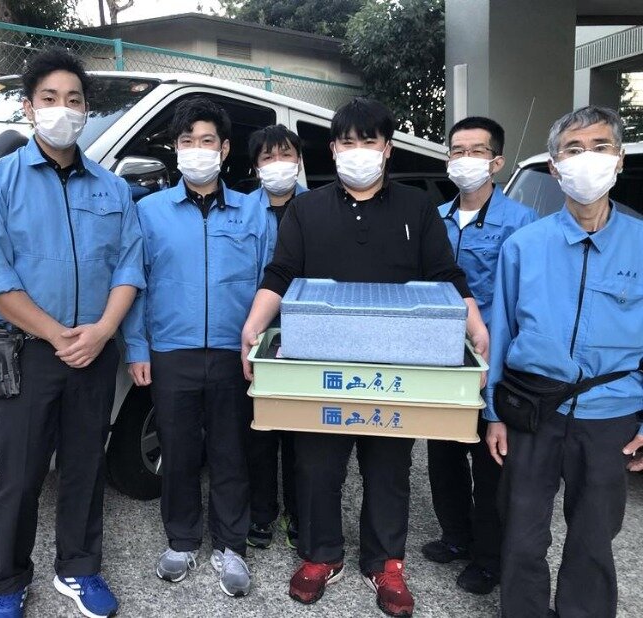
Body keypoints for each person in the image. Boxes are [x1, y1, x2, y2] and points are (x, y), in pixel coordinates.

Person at [240, 97, 489, 618]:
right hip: (321, 366)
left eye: (368, 141)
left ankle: (386, 562)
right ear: (333, 149)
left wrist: (474, 323)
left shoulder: (416, 208)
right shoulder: (307, 209)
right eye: (347, 142)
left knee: (389, 468)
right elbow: (280, 273)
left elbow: (445, 273)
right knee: (315, 464)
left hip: (394, 368)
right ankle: (320, 555)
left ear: (387, 148)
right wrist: (254, 326)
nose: (358, 151)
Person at [0, 49, 144, 618]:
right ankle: (8, 582)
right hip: (28, 353)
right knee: (18, 475)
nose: (62, 109)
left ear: (86, 111)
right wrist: (58, 335)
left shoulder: (112, 190)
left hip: (94, 351)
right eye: (49, 98)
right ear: (28, 107)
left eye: (73, 100)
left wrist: (103, 331)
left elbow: (129, 267)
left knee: (86, 466)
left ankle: (79, 568)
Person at [484, 105, 643, 618]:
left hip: (611, 414)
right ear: (554, 167)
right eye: (573, 150)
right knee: (522, 531)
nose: (586, 159)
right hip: (533, 409)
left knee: (595, 535)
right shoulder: (523, 246)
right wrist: (494, 413)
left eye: (600, 147)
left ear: (619, 160)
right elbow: (501, 333)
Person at [122, 96, 269, 598]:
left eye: (208, 141)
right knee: (179, 451)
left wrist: (263, 348)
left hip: (234, 353)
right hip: (171, 350)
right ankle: (182, 540)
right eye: (188, 141)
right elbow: (135, 282)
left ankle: (231, 545)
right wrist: (137, 346)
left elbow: (270, 283)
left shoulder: (253, 213)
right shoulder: (149, 212)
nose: (198, 150)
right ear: (176, 149)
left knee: (231, 452)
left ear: (224, 150)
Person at [423, 117, 537, 595]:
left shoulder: (522, 223)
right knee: (442, 453)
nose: (464, 160)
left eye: (476, 151)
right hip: (440, 357)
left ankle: (490, 559)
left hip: (493, 361)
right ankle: (456, 536)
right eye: (457, 151)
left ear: (497, 162)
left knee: (490, 463)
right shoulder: (435, 217)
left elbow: (523, 304)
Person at [242, 124, 307, 550]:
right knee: (258, 431)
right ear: (256, 166)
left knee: (301, 433)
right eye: (268, 157)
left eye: (286, 155)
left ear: (299, 161)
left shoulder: (319, 207)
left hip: (305, 336)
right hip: (256, 335)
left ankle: (299, 514)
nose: (277, 163)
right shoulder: (241, 211)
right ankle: (261, 512)